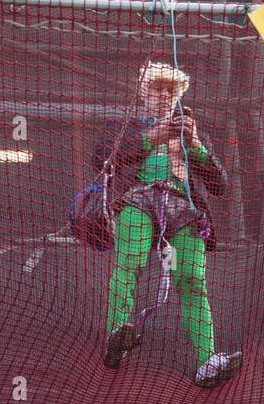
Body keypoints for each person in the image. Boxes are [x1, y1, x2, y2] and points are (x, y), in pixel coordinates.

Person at [97, 59, 242, 386]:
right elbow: (102, 158)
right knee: (129, 262)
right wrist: (152, 137)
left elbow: (221, 186)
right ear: (142, 93)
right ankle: (117, 333)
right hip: (138, 198)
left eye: (170, 90)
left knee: (192, 278)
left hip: (183, 205)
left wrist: (197, 147)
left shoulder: (189, 131)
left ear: (178, 96)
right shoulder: (125, 126)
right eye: (156, 89)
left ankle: (207, 361)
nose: (164, 96)